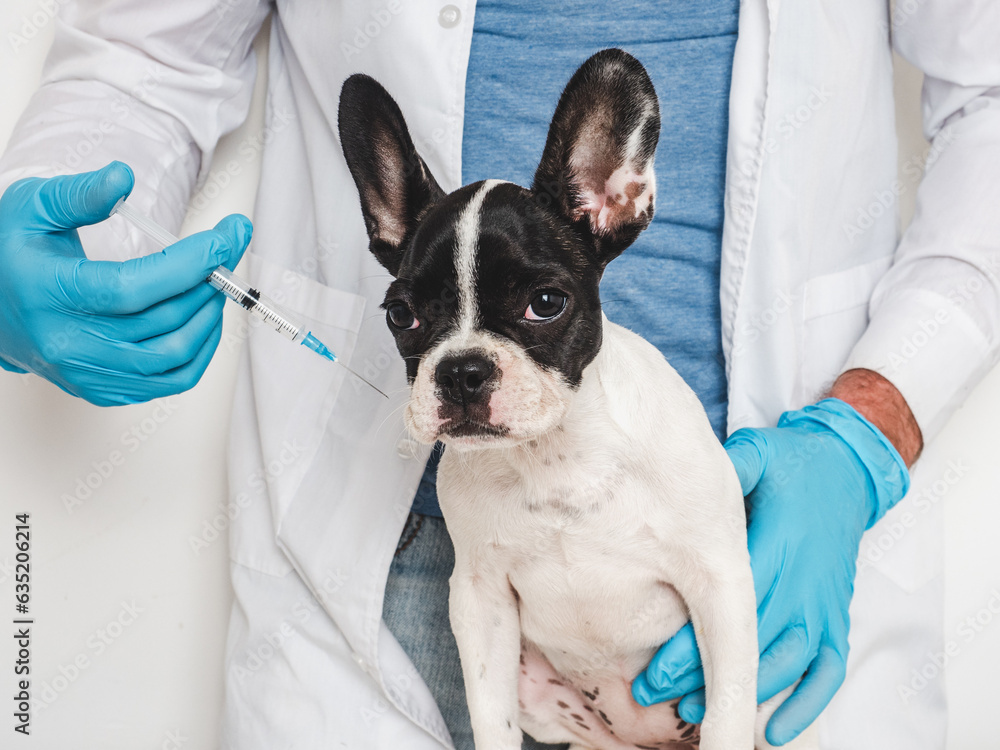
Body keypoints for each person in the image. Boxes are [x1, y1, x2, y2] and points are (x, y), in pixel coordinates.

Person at [0, 1, 996, 749]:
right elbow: (144, 50)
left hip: (758, 504)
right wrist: (62, 229)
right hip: (398, 544)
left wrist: (873, 420)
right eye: (417, 313)